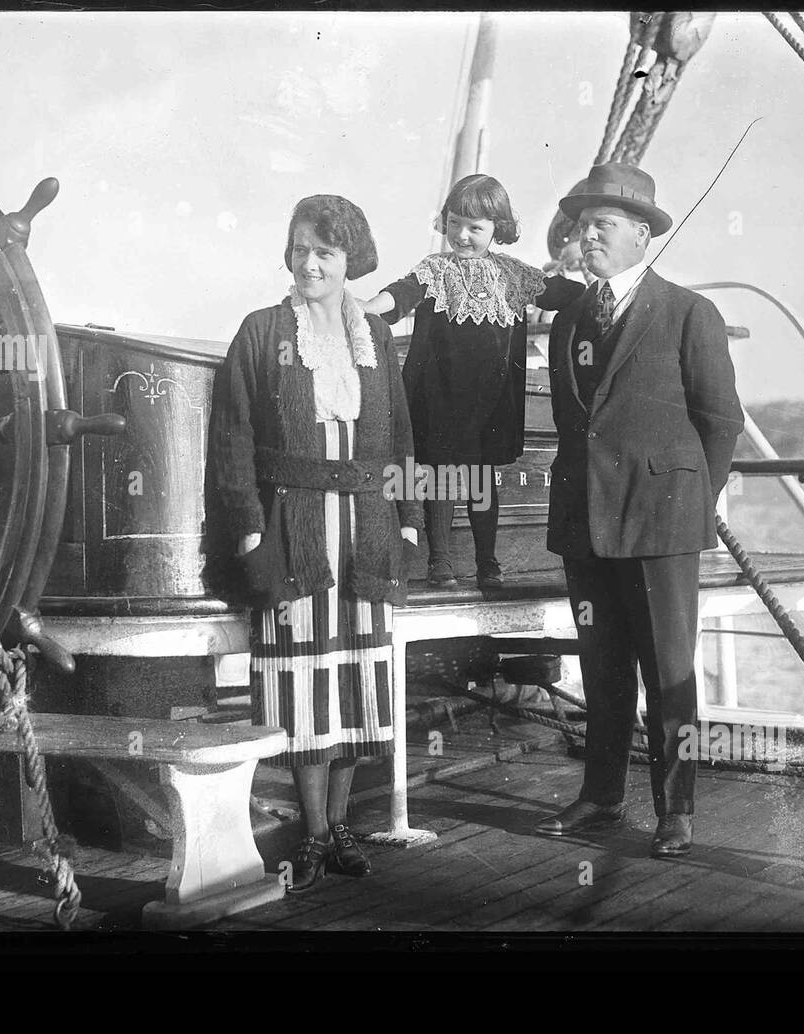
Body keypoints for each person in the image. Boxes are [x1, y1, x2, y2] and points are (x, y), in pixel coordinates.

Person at [204, 194, 422, 891]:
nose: (308, 263)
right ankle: (316, 831)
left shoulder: (377, 337)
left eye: (323, 251)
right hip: (292, 531)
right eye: (299, 249)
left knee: (358, 682)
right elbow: (232, 439)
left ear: (349, 257)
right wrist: (246, 526)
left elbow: (402, 434)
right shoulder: (262, 332)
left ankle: (343, 825)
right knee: (301, 686)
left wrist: (408, 514)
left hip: (367, 531)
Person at [533, 162, 744, 857]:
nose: (585, 236)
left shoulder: (689, 313)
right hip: (587, 528)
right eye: (582, 225)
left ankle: (675, 808)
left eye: (602, 225)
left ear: (640, 238)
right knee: (601, 666)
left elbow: (720, 421)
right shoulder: (570, 318)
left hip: (661, 526)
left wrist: (690, 504)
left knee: (669, 672)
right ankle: (600, 797)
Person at [360, 174, 584, 589]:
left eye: (475, 228)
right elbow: (400, 296)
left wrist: (605, 291)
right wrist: (366, 308)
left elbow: (567, 296)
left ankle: (487, 563)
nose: (462, 235)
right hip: (438, 394)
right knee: (441, 475)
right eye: (455, 223)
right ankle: (440, 562)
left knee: (482, 480)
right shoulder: (434, 270)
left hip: (491, 400)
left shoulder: (516, 276)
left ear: (498, 229)